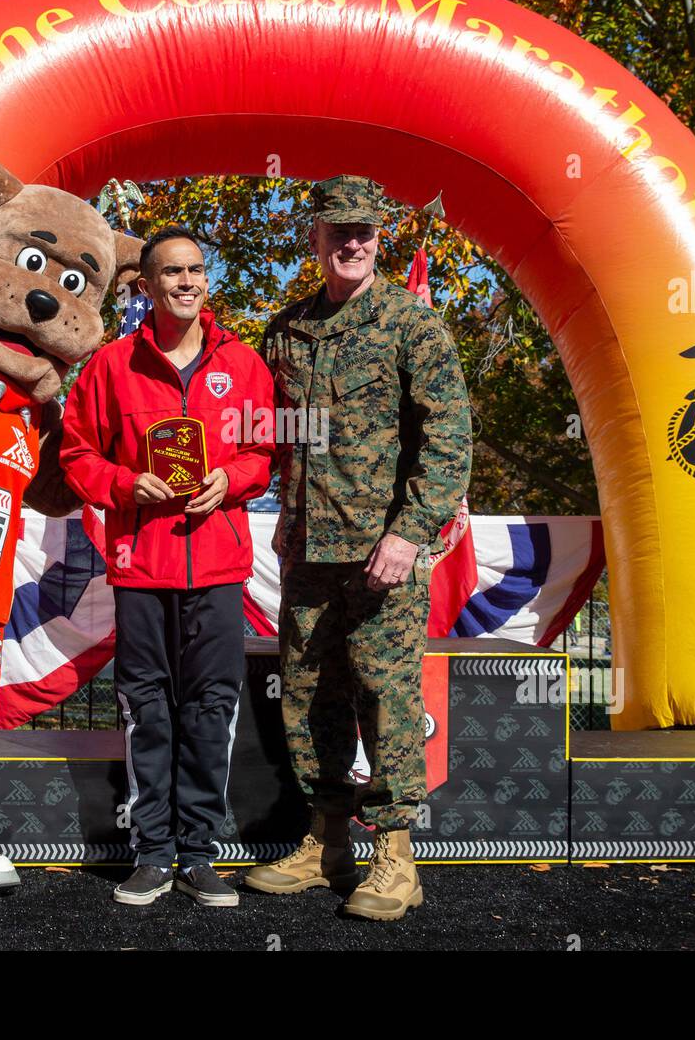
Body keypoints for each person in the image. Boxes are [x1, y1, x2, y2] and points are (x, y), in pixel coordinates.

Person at [247, 175, 472, 921]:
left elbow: (448, 438)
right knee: (310, 694)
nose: (351, 243)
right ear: (314, 238)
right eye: (338, 231)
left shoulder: (413, 325)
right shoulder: (285, 330)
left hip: (384, 553)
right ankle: (325, 842)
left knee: (386, 694)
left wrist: (410, 533)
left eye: (364, 232)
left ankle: (396, 855)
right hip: (309, 549)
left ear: (379, 239)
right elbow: (270, 429)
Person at [59, 224, 275, 907]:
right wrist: (127, 485)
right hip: (141, 566)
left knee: (211, 708)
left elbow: (264, 453)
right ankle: (153, 854)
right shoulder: (110, 366)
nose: (187, 281)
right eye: (173, 272)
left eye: (196, 270)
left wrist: (231, 479)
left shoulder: (243, 364)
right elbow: (76, 456)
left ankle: (200, 853)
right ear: (147, 285)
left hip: (218, 567)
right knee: (147, 708)